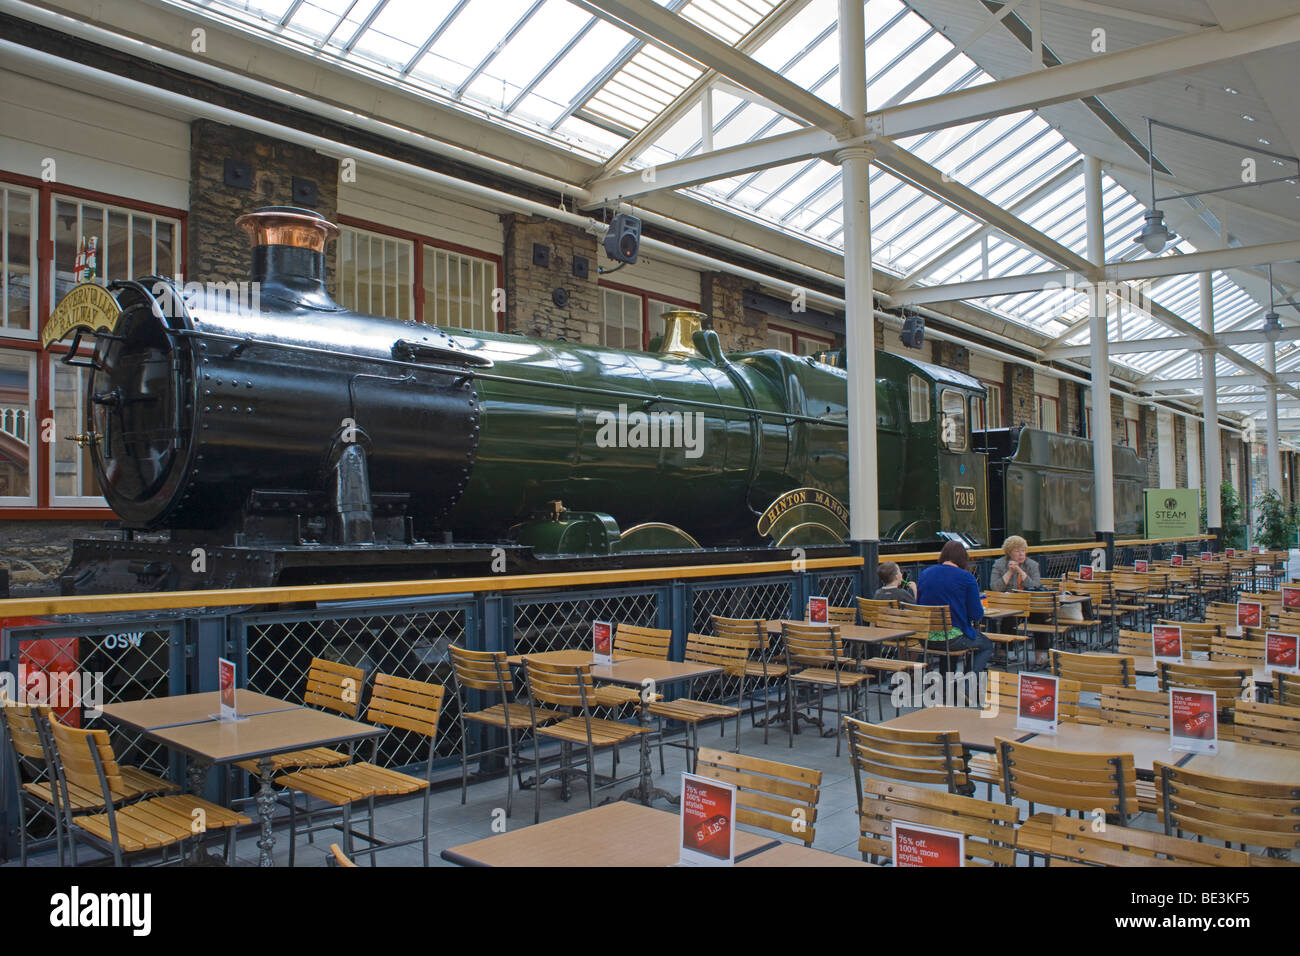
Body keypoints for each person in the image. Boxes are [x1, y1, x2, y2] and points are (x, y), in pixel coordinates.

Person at [916, 540, 992, 673]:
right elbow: (976, 615)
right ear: (963, 558)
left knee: (950, 636)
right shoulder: (967, 578)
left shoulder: (925, 573)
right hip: (953, 639)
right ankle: (968, 685)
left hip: (925, 637)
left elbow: (919, 604)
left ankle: (946, 684)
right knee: (986, 645)